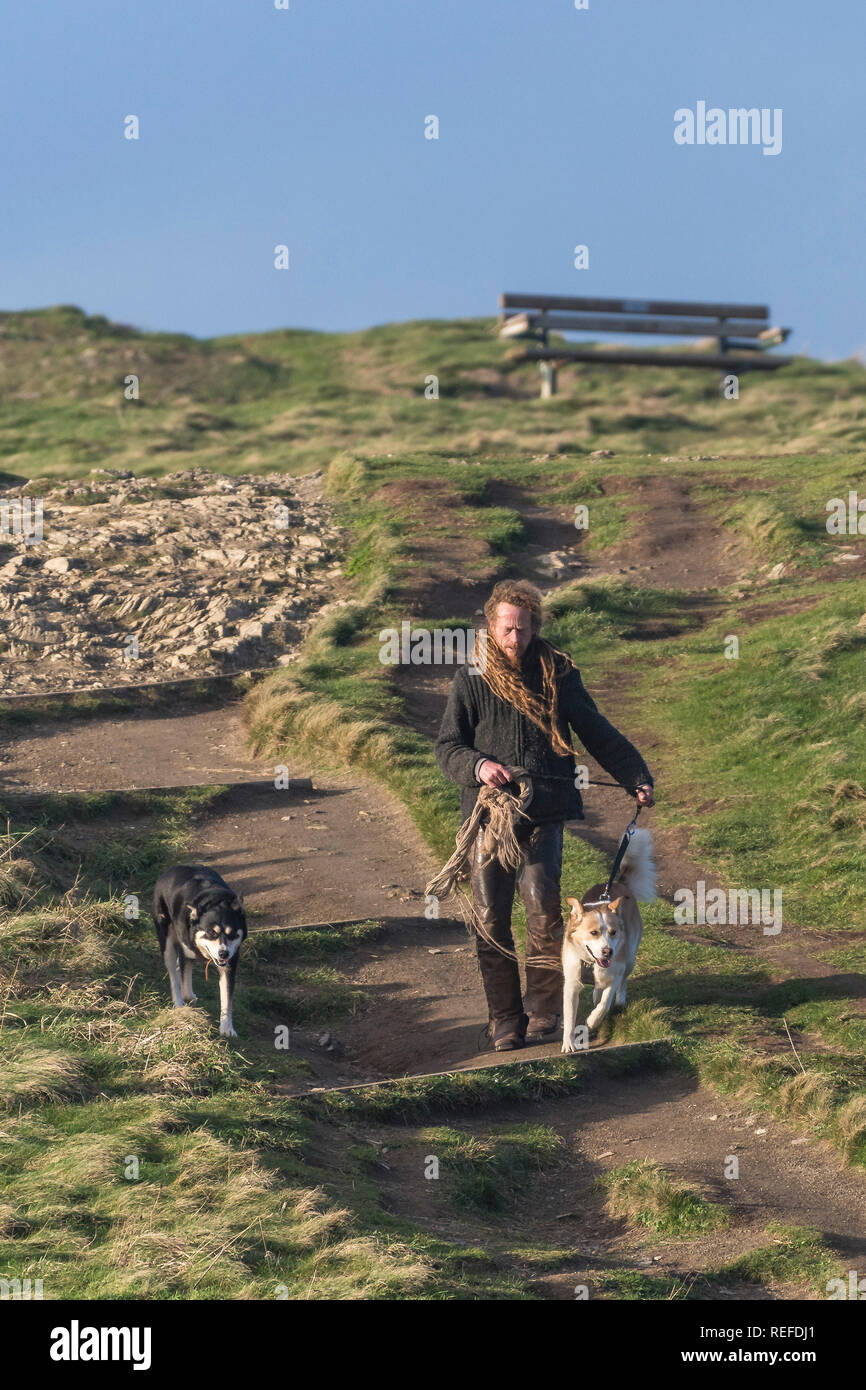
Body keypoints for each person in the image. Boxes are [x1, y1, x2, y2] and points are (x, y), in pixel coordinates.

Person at [434, 579, 655, 1052]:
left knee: (544, 914)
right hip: (488, 820)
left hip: (544, 813)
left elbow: (596, 729)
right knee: (491, 919)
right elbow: (447, 747)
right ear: (491, 626)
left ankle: (543, 1012)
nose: (515, 639)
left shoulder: (558, 673)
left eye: (523, 629)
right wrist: (479, 765)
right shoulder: (470, 678)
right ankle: (504, 1018)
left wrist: (635, 774)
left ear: (535, 625)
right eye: (506, 629)